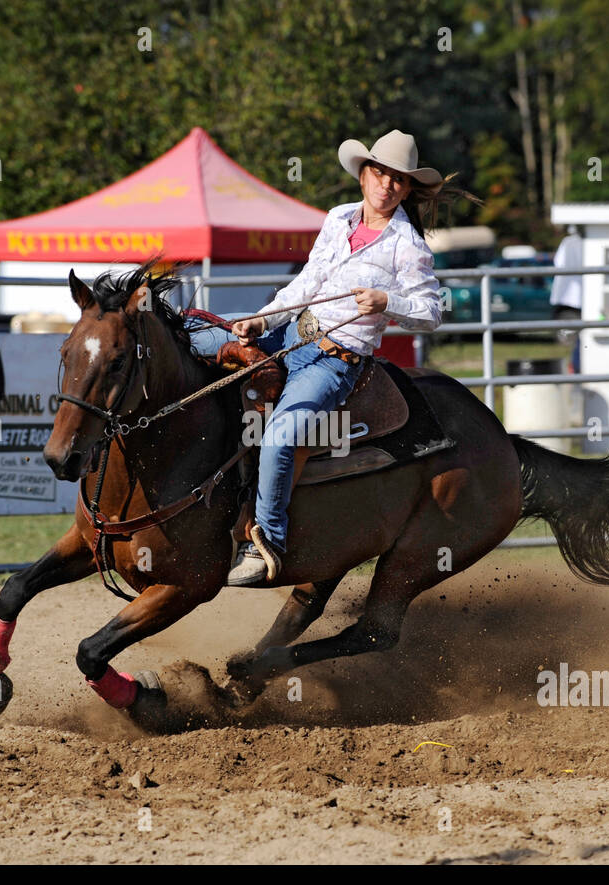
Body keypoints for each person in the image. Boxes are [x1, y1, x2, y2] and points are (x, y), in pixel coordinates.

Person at [188, 129, 473, 586]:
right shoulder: (339, 218)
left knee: (281, 436)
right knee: (195, 341)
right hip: (290, 334)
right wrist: (262, 321)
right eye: (380, 173)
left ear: (408, 189)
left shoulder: (409, 244)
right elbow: (308, 282)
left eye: (398, 180)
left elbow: (431, 313)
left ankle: (267, 543)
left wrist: (388, 302)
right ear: (364, 175)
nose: (387, 185)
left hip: (334, 362)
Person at [550, 225, 584, 369]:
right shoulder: (581, 242)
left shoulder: (568, 242)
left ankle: (576, 365)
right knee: (582, 335)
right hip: (579, 294)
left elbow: (558, 262)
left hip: (571, 293)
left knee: (580, 335)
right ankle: (576, 365)